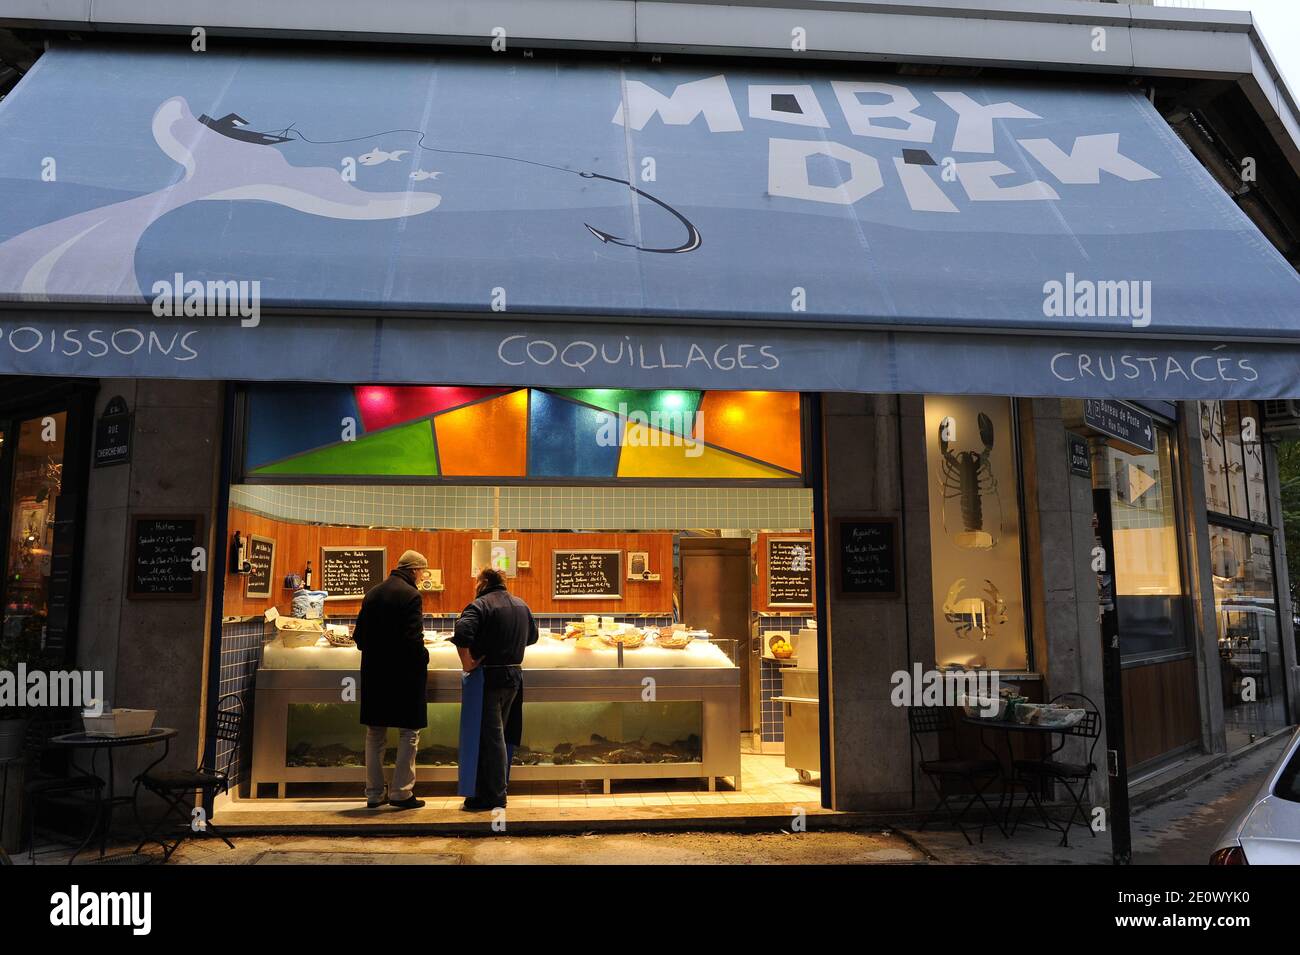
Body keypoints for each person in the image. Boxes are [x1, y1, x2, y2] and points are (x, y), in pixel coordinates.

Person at [451, 566, 538, 811]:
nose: (475, 585)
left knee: (491, 738)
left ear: (484, 582)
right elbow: (533, 637)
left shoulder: (479, 605)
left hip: (488, 676)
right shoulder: (521, 605)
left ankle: (495, 796)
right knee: (499, 735)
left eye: (476, 581)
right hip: (513, 676)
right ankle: (486, 791)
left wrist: (467, 662)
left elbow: (462, 632)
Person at [351, 549, 429, 810]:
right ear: (414, 570)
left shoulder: (373, 593)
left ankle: (373, 794)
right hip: (404, 675)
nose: (422, 577)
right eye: (422, 572)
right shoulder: (411, 595)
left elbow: (359, 637)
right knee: (409, 732)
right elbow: (412, 641)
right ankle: (401, 793)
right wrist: (424, 656)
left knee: (375, 733)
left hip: (375, 673)